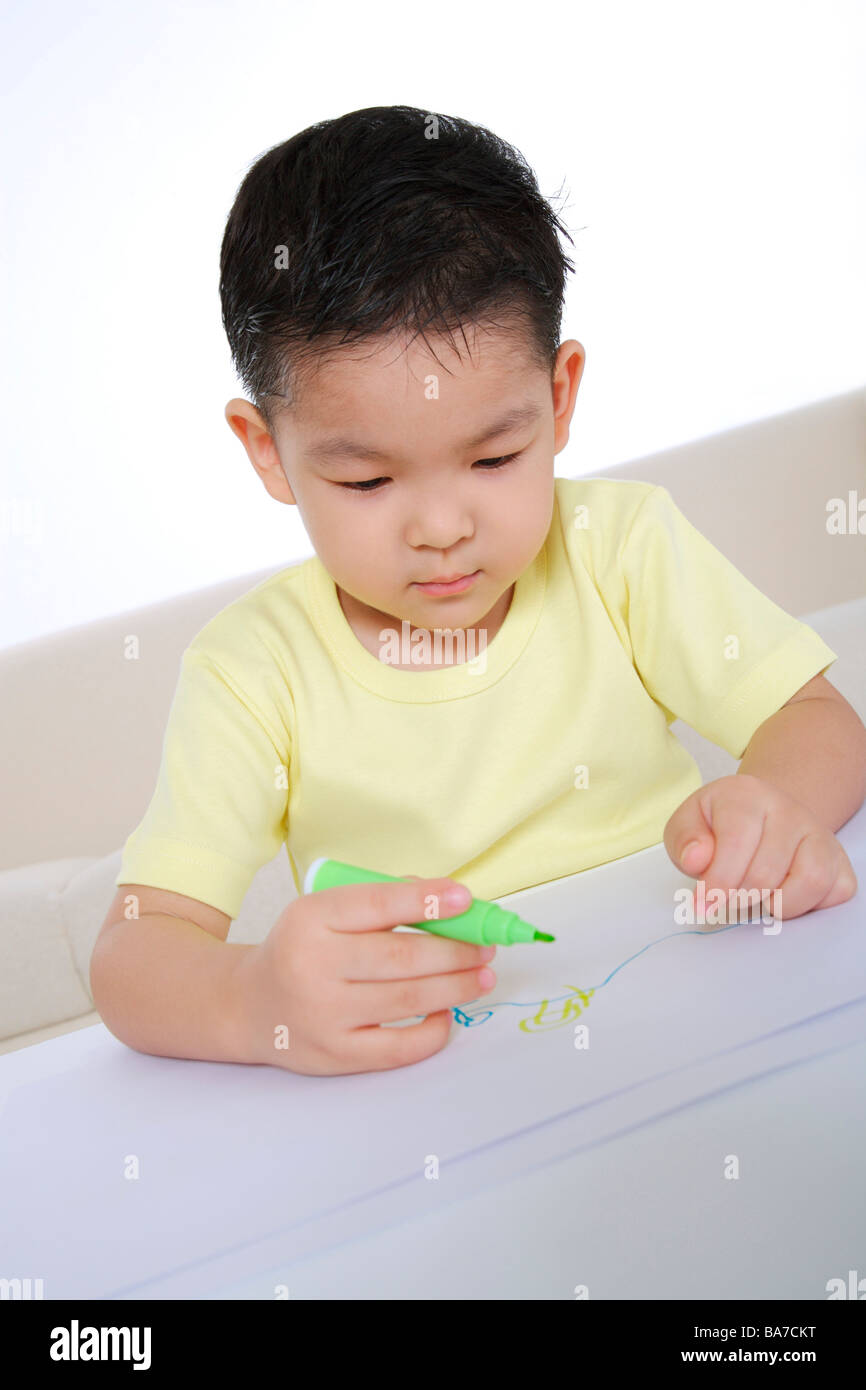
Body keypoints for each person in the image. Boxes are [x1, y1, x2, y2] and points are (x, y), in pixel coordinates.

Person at [90, 105, 866, 1076]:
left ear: (557, 397)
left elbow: (815, 718)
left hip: (692, 1014)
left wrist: (773, 804)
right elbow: (134, 949)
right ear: (267, 451)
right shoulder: (254, 671)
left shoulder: (617, 546)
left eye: (494, 457)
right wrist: (250, 1002)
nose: (441, 527)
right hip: (440, 1077)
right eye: (367, 482)